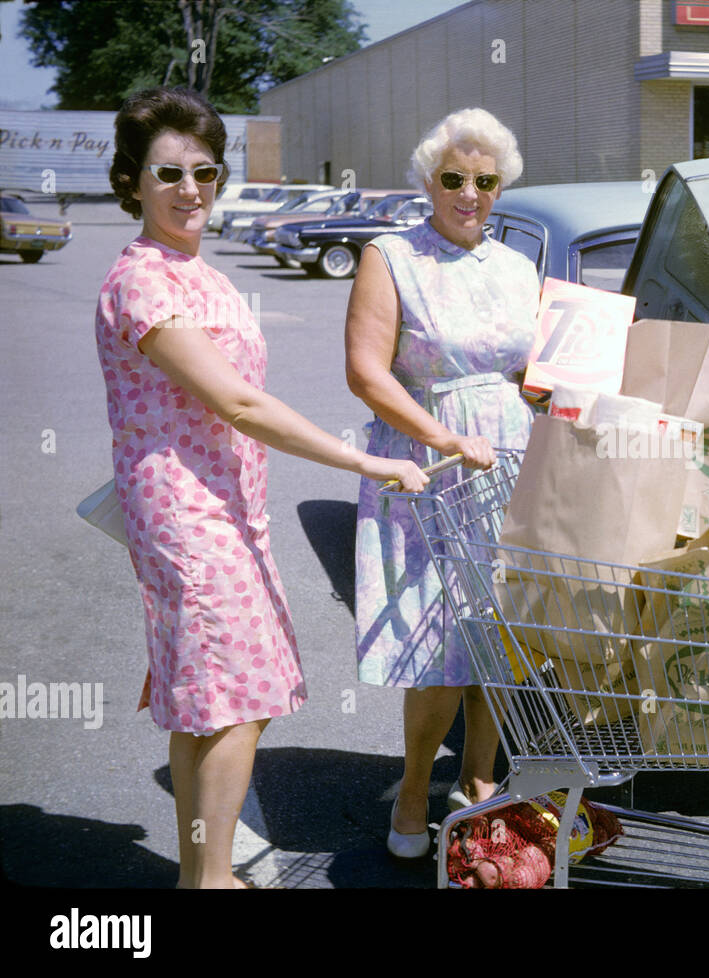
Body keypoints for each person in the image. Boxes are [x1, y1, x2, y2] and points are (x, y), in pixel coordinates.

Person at [95, 86, 428, 888]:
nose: (189, 189)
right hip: (185, 511)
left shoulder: (196, 272)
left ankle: (200, 871)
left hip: (226, 507)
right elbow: (239, 402)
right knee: (234, 696)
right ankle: (208, 879)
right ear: (133, 180)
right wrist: (368, 461)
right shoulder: (143, 279)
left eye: (205, 171)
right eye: (168, 173)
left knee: (213, 696)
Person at [344, 108, 539, 858]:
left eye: (485, 181)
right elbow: (365, 370)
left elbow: (534, 369)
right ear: (429, 180)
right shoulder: (391, 256)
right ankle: (418, 785)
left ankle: (481, 780)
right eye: (454, 178)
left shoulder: (517, 267)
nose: (469, 192)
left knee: (501, 630)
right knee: (436, 642)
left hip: (509, 460)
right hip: (428, 464)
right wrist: (444, 438)